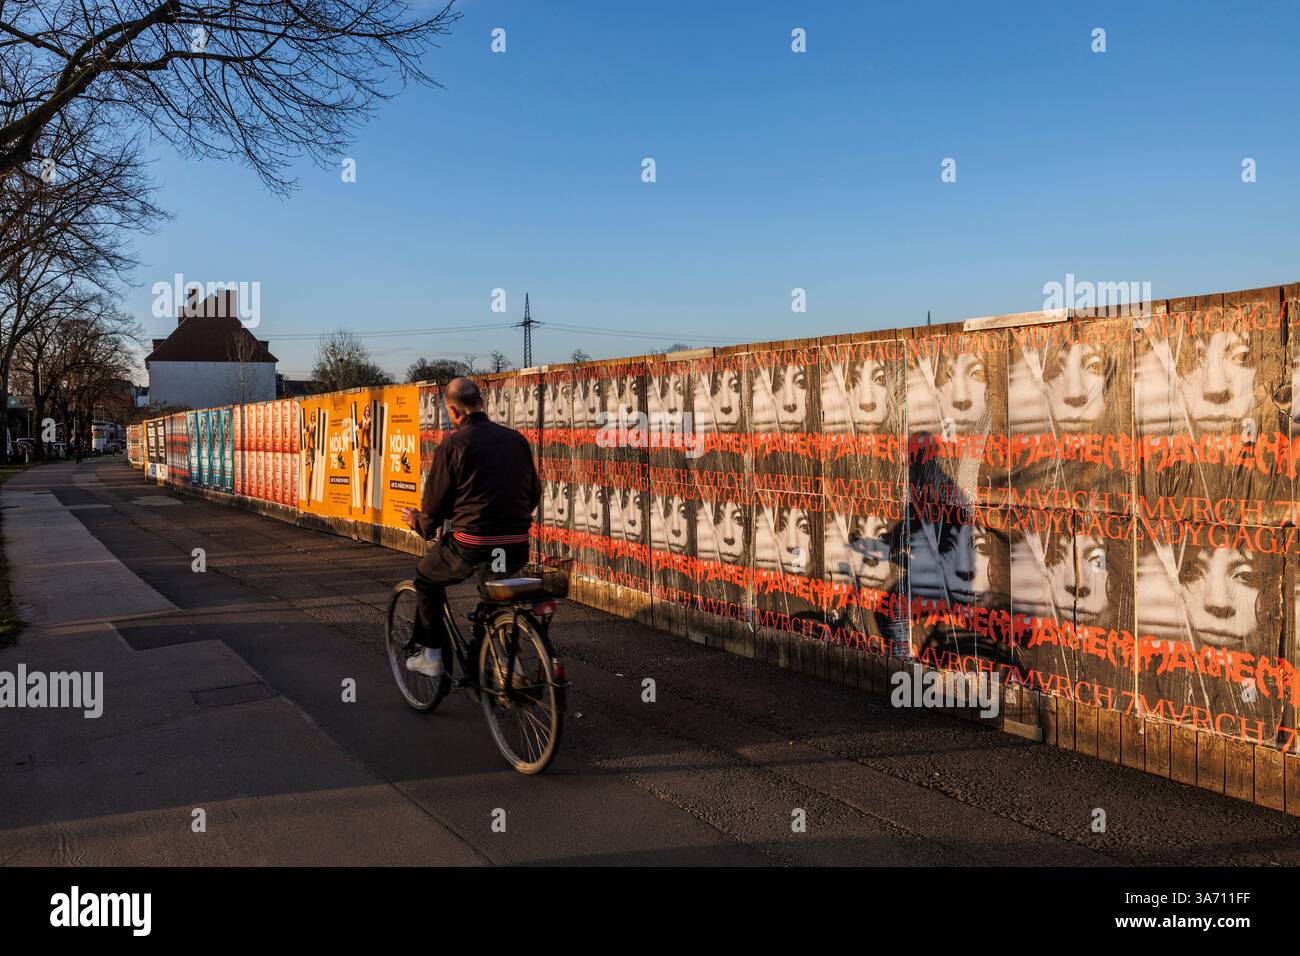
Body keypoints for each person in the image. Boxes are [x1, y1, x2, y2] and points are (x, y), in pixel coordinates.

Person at [401, 378, 542, 678]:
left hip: (472, 543)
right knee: (494, 595)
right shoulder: (515, 440)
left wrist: (419, 522)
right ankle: (507, 662)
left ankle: (432, 654)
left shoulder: (453, 446)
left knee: (426, 579)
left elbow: (435, 507)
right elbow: (533, 494)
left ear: (453, 411)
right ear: (481, 403)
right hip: (516, 542)